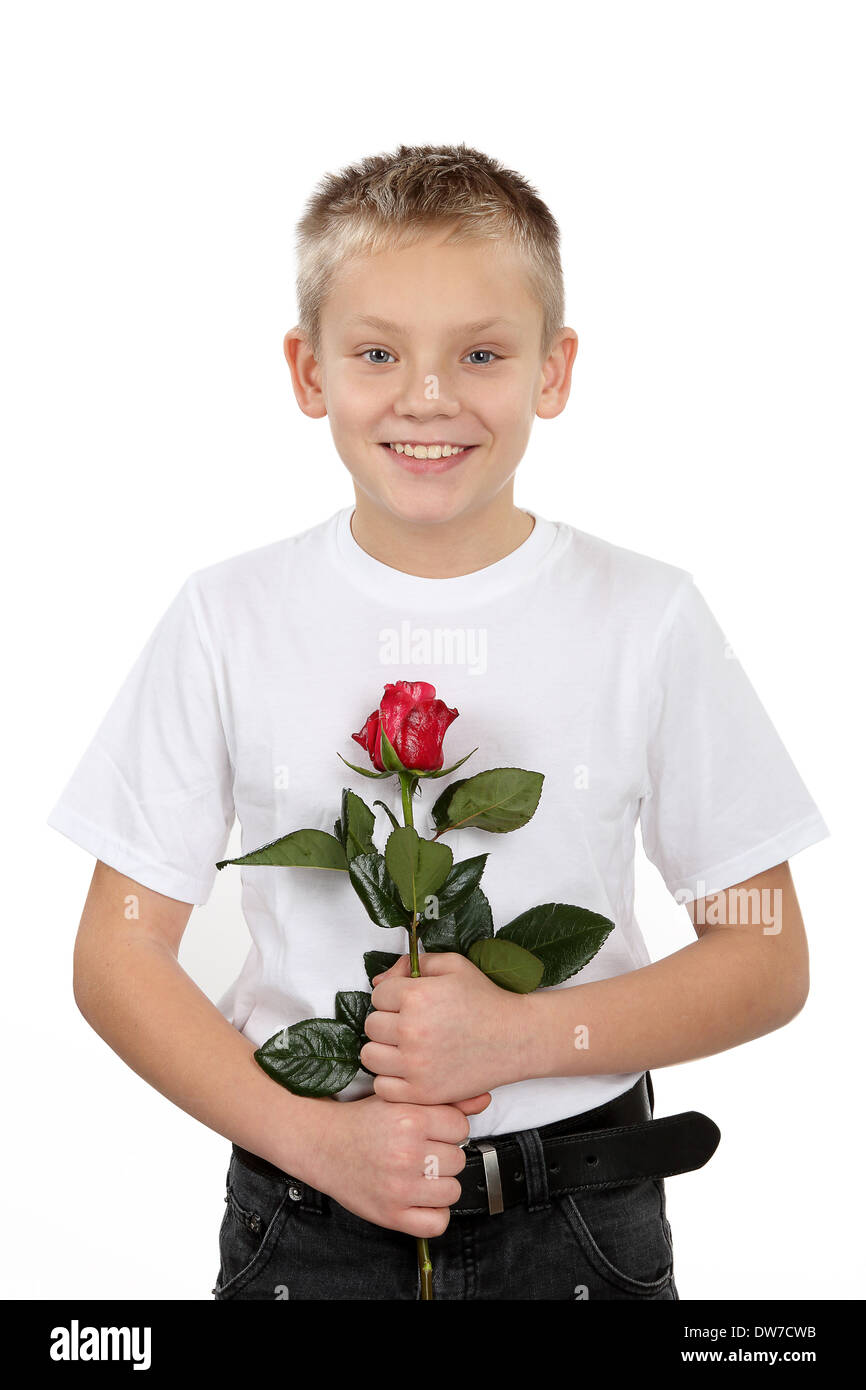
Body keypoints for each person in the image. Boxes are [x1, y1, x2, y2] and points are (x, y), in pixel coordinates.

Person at [47, 143, 830, 1301]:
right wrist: (316, 1140)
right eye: (376, 353)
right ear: (307, 370)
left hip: (578, 1222)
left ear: (552, 370)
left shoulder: (647, 616)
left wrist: (519, 1036)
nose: (425, 396)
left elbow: (764, 954)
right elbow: (117, 954)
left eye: (479, 352)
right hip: (305, 1217)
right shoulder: (226, 615)